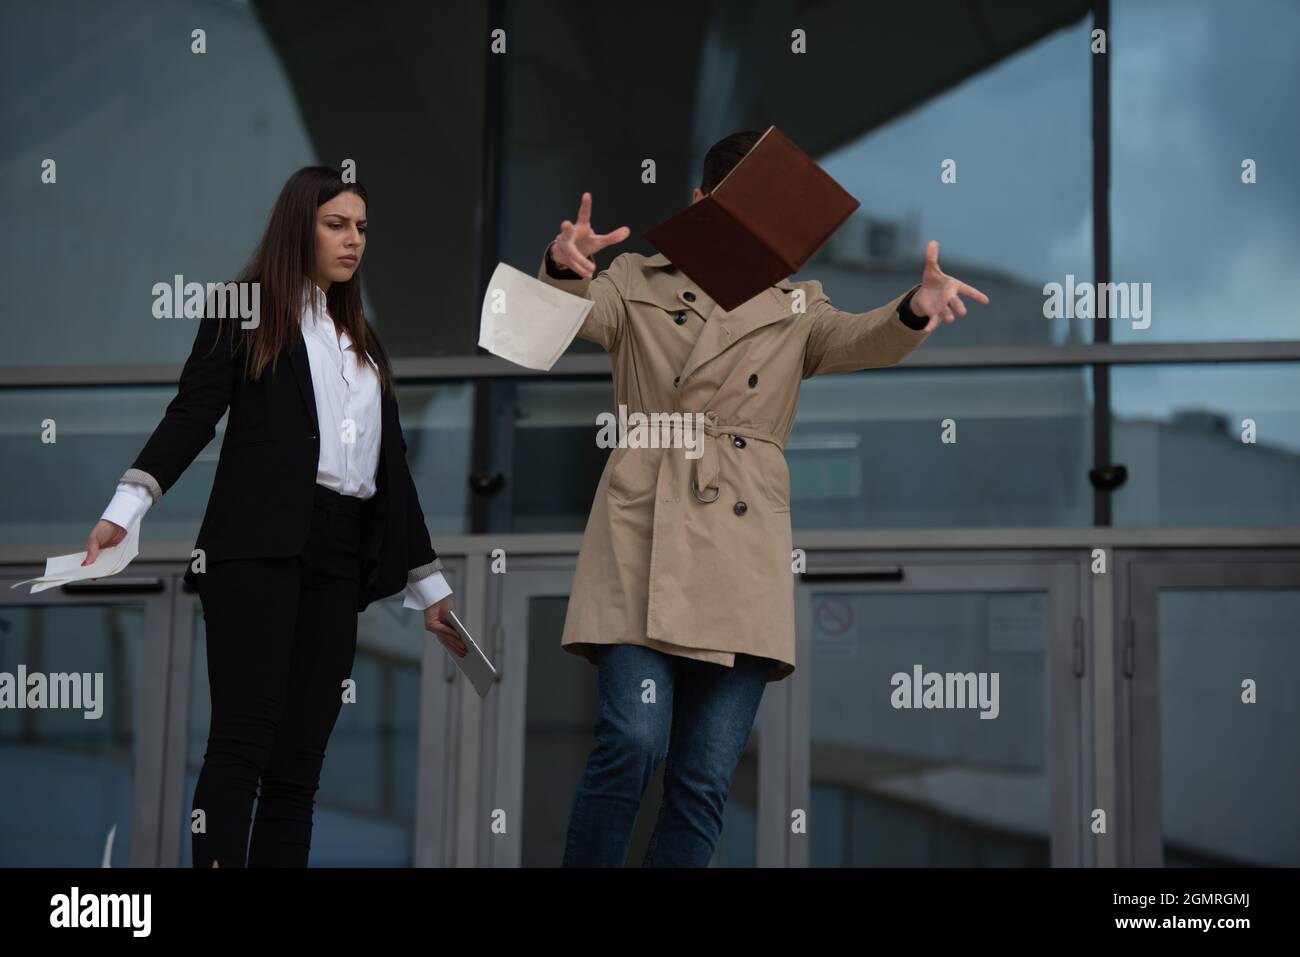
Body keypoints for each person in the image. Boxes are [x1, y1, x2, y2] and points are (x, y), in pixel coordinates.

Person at [539, 130, 990, 867]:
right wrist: (561, 268)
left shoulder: (797, 306)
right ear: (701, 203)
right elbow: (565, 316)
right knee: (632, 738)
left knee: (704, 779)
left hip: (739, 554)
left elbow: (859, 338)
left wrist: (914, 306)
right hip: (641, 527)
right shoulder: (633, 280)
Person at [81, 166, 467, 867]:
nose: (354, 240)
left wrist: (431, 590)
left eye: (362, 228)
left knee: (301, 764)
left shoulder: (364, 342)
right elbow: (194, 412)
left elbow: (394, 472)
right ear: (299, 226)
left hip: (341, 554)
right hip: (258, 545)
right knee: (243, 736)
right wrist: (127, 505)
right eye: (337, 224)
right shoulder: (246, 308)